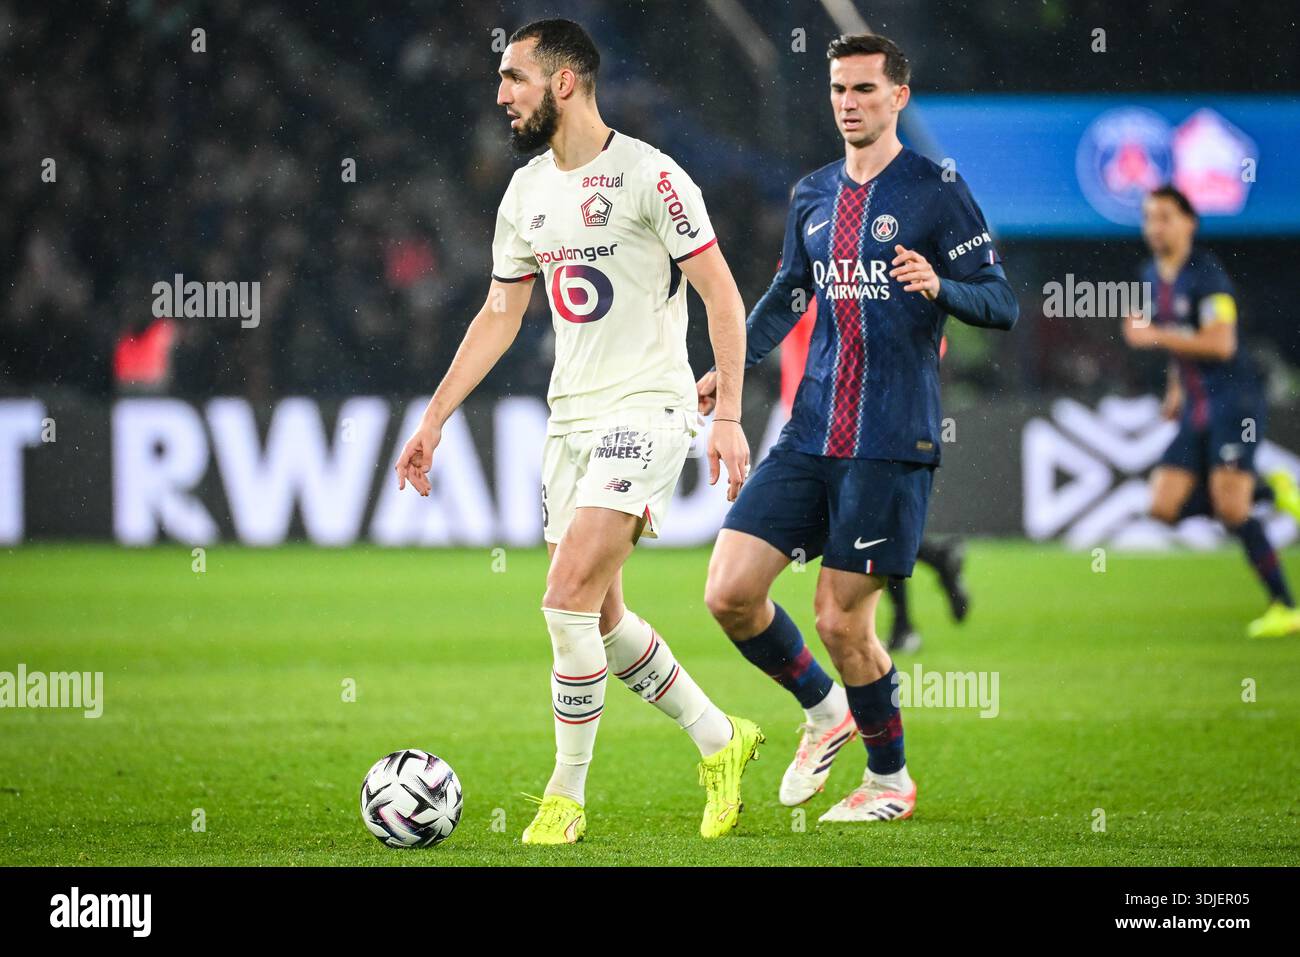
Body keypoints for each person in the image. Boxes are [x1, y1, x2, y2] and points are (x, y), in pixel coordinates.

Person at [395, 18, 762, 844]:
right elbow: (499, 313)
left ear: (563, 82)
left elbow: (723, 298)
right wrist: (434, 416)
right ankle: (721, 737)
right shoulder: (526, 192)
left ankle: (565, 795)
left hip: (649, 407)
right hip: (573, 420)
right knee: (600, 618)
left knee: (563, 599)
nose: (500, 95)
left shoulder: (651, 178)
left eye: (514, 78)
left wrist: (729, 414)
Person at [698, 33, 1017, 822]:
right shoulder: (812, 194)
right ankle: (824, 708)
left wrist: (941, 283)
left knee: (841, 618)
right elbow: (786, 296)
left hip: (890, 437)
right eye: (840, 88)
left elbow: (1000, 302)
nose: (849, 102)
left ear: (898, 97)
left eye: (866, 90)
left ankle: (889, 782)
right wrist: (729, 372)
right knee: (730, 592)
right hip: (810, 433)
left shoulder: (937, 190)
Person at [1122, 185, 1300, 638]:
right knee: (1162, 507)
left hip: (1233, 403)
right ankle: (1266, 492)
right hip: (1195, 408)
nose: (1155, 227)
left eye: (1165, 217)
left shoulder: (1207, 274)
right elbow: (1182, 343)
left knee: (1230, 509)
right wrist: (1175, 389)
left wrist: (1155, 337)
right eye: (1149, 217)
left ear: (1188, 223)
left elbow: (1222, 344)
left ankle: (1286, 605)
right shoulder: (1150, 274)